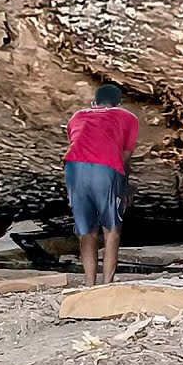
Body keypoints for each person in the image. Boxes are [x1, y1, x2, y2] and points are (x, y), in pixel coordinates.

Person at [65, 83, 139, 287]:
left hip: (74, 168)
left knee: (86, 231)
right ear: (119, 103)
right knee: (111, 228)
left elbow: (76, 142)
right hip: (106, 169)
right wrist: (124, 185)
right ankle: (106, 284)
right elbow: (124, 158)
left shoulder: (77, 116)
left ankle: (89, 285)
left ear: (94, 102)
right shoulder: (128, 118)